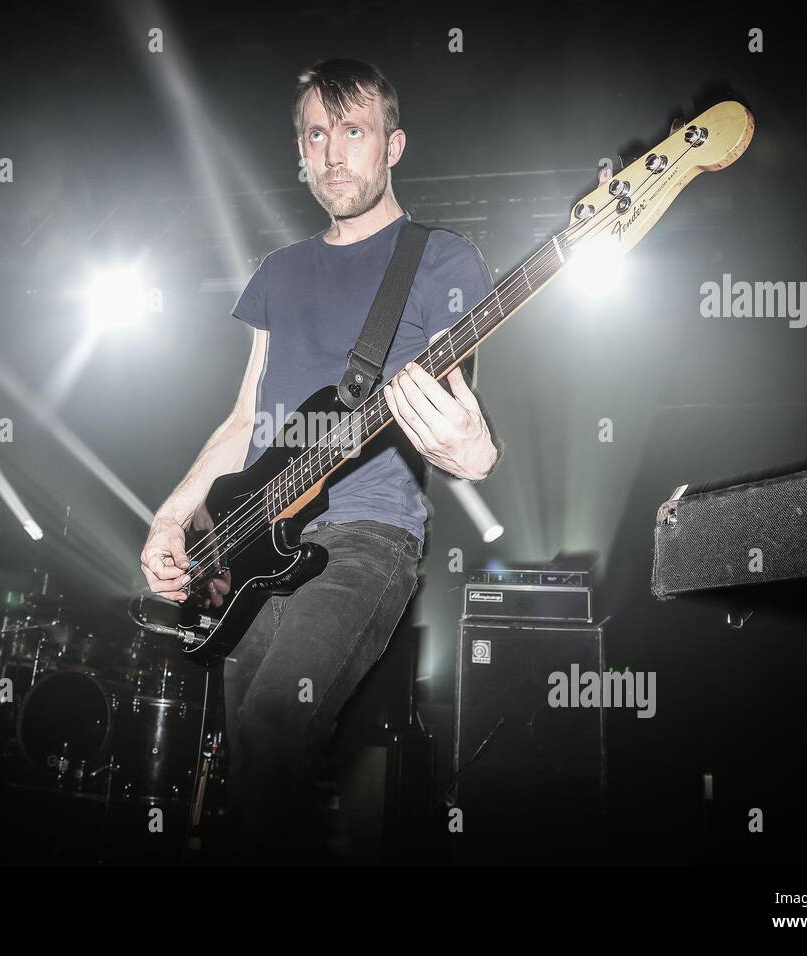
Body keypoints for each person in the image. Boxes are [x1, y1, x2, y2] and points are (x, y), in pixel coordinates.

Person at [141, 58, 502, 863]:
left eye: (353, 131)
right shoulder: (277, 272)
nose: (332, 153)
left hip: (368, 536)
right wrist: (170, 517)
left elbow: (459, 412)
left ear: (393, 145)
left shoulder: (442, 261)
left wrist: (475, 452)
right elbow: (245, 420)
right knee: (249, 761)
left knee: (275, 724)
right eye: (315, 135)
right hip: (254, 546)